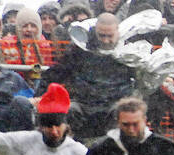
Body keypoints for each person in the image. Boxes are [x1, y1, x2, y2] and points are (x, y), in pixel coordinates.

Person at [41, 12, 137, 143]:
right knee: (68, 110)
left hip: (114, 103)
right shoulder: (80, 48)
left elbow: (142, 78)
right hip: (83, 103)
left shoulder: (128, 50)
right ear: (95, 31)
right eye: (101, 36)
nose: (105, 40)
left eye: (109, 36)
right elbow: (57, 71)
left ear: (118, 32)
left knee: (124, 112)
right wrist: (40, 93)